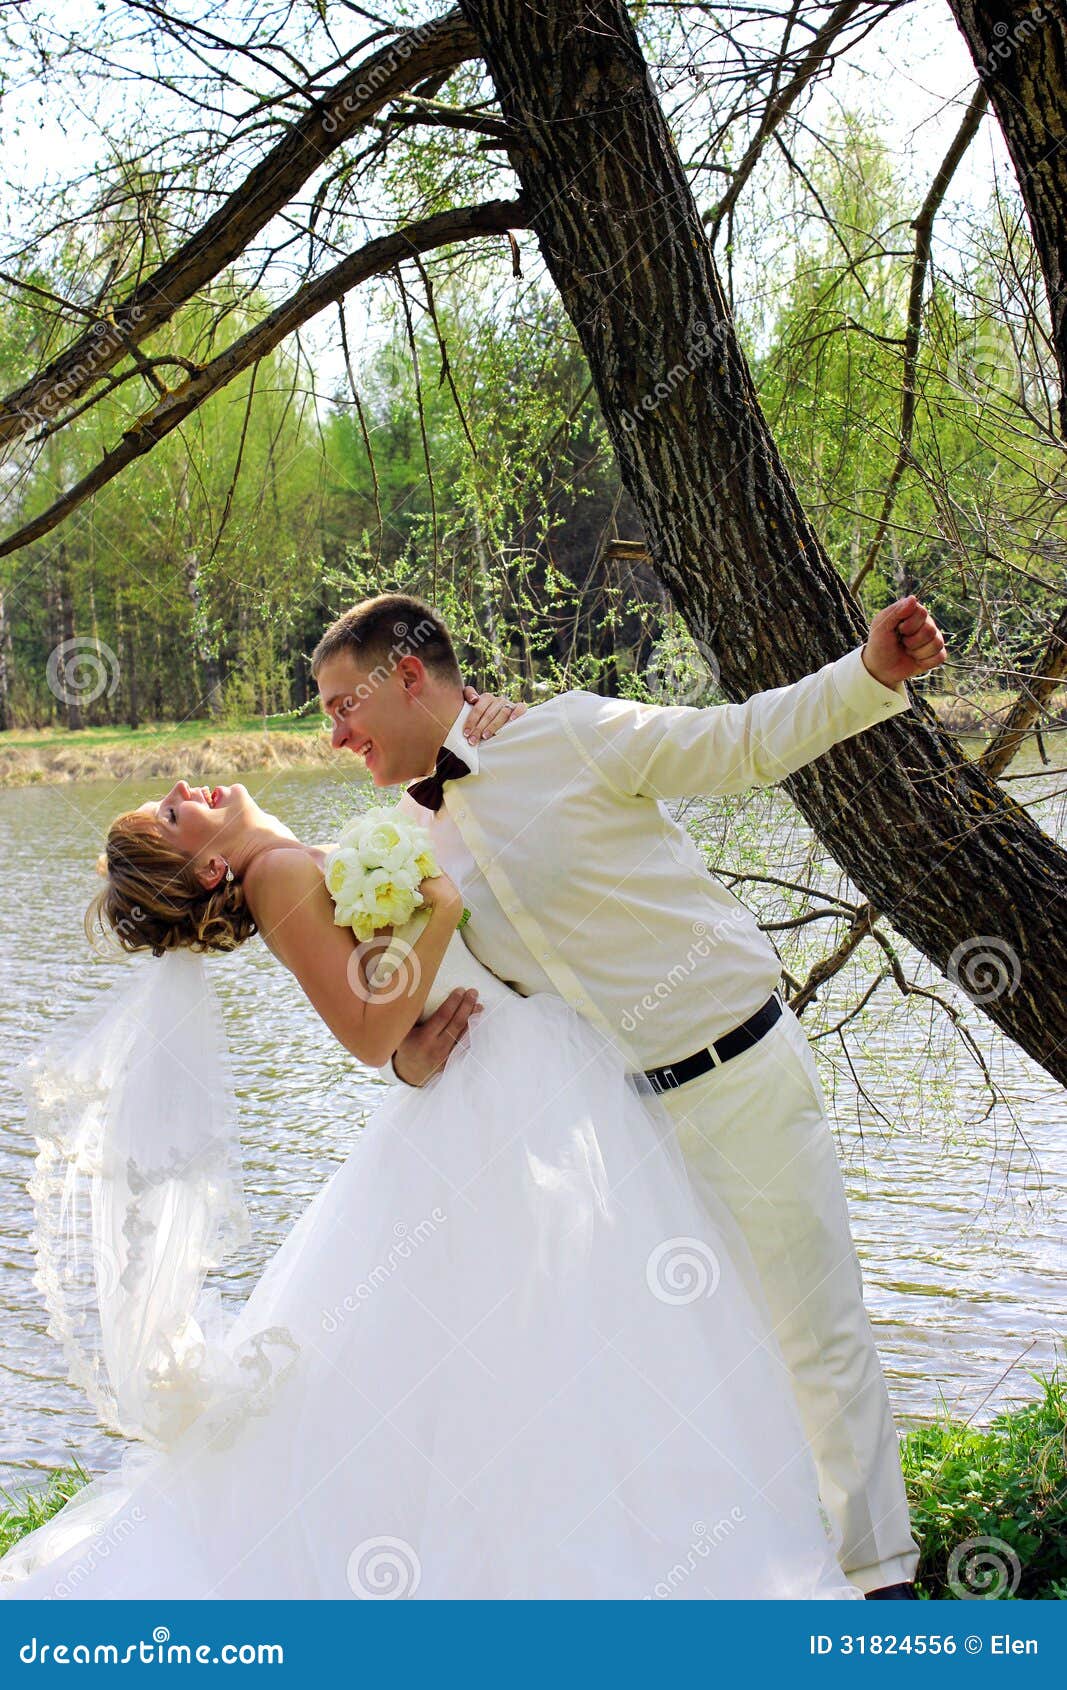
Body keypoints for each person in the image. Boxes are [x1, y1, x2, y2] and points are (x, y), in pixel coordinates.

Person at [0, 756, 864, 1598]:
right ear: (208, 868)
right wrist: (440, 910)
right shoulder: (276, 875)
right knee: (544, 1319)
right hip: (500, 1082)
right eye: (172, 815)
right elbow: (368, 1033)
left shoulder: (282, 863)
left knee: (540, 1322)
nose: (184, 789)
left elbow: (387, 1014)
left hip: (517, 1067)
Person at [314, 591, 948, 1597]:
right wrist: (406, 1062)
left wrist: (867, 673)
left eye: (343, 705)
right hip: (619, 1134)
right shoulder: (402, 849)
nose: (335, 735)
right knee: (696, 1373)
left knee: (816, 1337)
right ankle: (768, 1589)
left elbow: (743, 742)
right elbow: (424, 1005)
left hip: (739, 1074)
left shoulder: (568, 732)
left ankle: (881, 1588)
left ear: (408, 675)